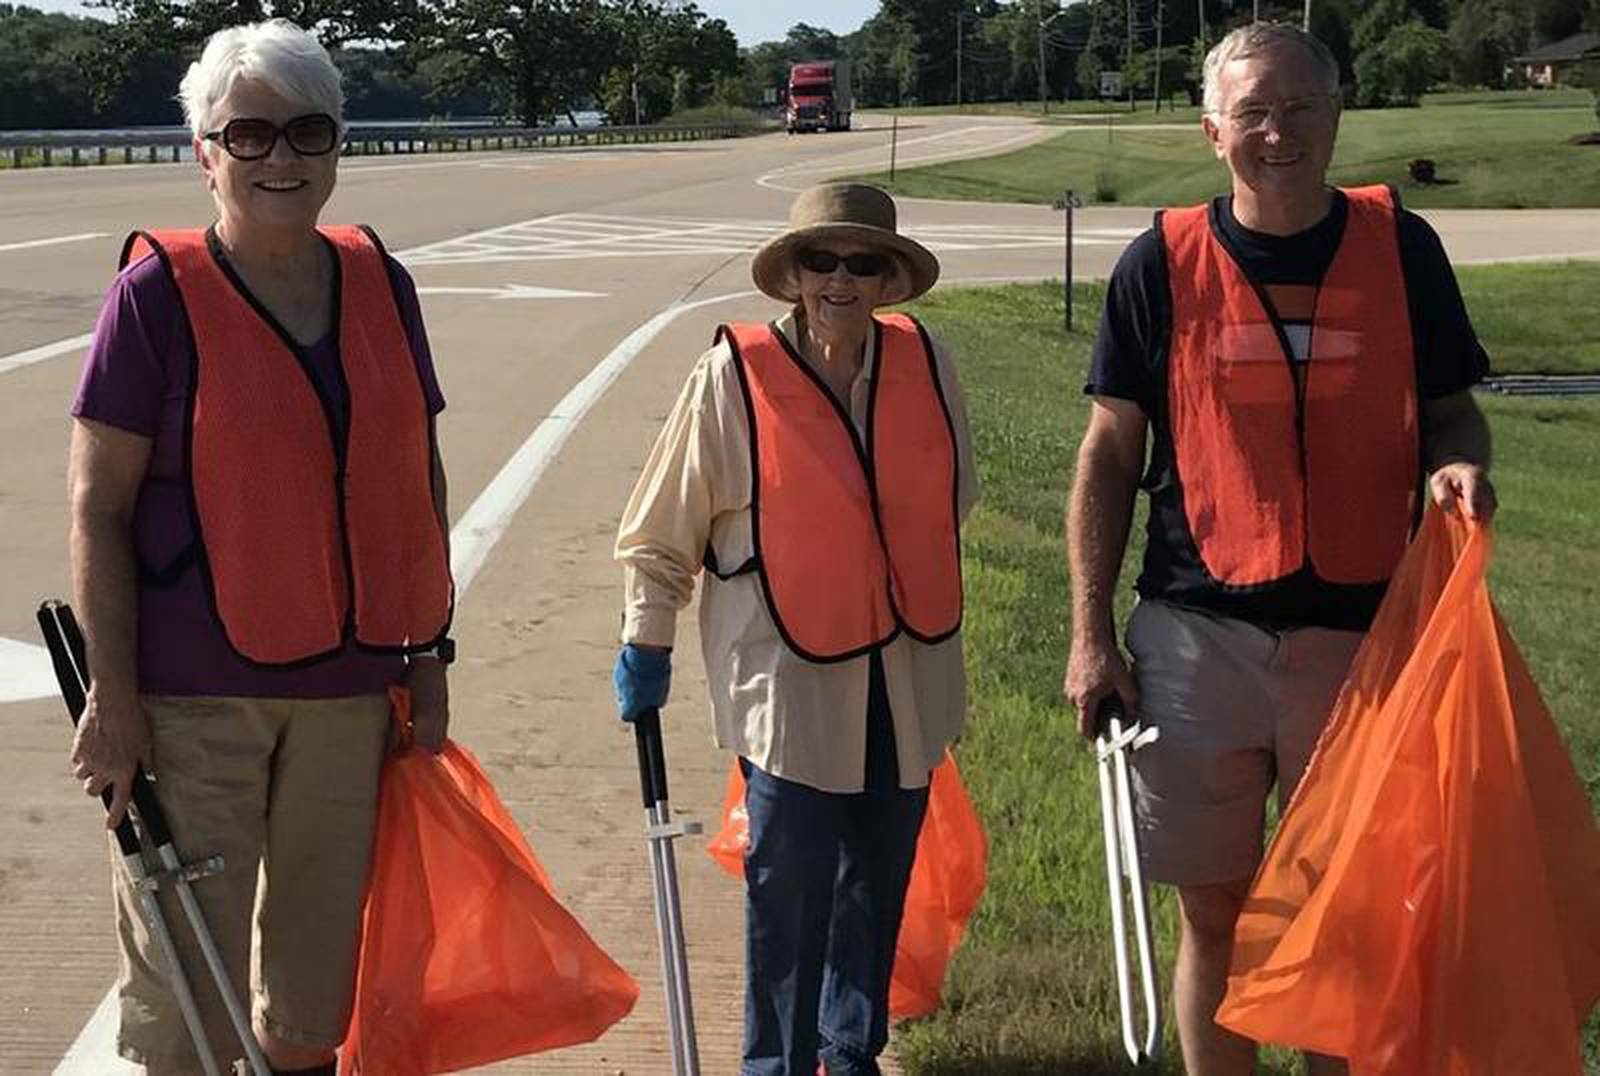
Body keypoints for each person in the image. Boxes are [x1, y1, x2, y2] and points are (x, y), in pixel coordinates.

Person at [1062, 22, 1495, 1076]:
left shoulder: (1404, 250)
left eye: (1299, 107)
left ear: (1337, 114)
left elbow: (1453, 413)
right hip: (1195, 631)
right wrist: (1089, 636)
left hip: (1359, 643)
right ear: (1212, 130)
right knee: (1216, 911)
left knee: (1336, 913)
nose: (1277, 131)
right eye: (1252, 111)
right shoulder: (1157, 262)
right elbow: (1109, 453)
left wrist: (1457, 467)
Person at [66, 19, 454, 1075]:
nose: (280, 157)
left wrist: (428, 650)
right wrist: (114, 692)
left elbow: (416, 477)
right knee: (188, 995)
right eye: (249, 135)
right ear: (204, 151)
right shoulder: (154, 297)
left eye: (306, 131)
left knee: (313, 998)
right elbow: (98, 505)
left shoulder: (382, 283)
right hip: (191, 703)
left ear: (337, 146)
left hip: (348, 691)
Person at [612, 182, 977, 1076]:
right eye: (821, 261)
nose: (841, 281)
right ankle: (774, 1065)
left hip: (906, 676)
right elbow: (664, 530)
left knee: (875, 886)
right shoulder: (733, 377)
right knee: (789, 894)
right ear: (793, 276)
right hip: (789, 685)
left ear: (890, 278)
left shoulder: (925, 362)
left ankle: (850, 1049)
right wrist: (647, 638)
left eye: (863, 263)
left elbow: (952, 500)